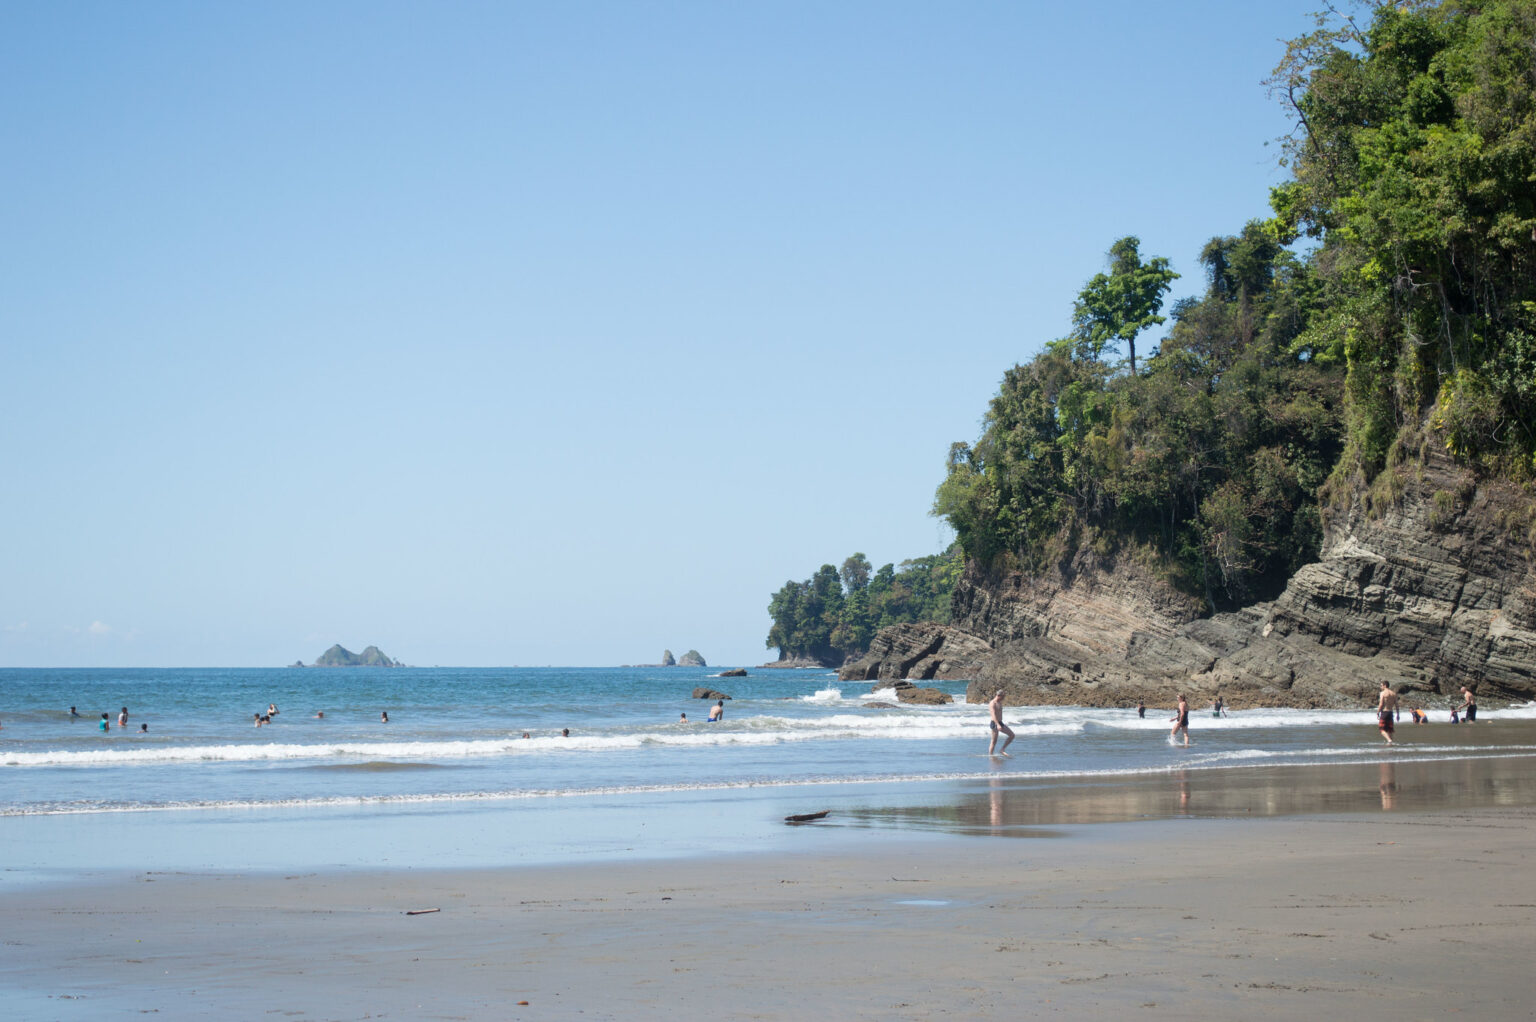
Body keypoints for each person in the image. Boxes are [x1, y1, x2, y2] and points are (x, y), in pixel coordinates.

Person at [987, 690, 1015, 756]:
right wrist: (998, 724)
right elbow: (993, 715)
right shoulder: (992, 703)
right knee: (994, 741)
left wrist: (1000, 723)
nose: (1004, 698)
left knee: (1012, 735)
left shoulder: (999, 702)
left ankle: (1002, 750)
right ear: (999, 696)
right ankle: (990, 756)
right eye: (1003, 696)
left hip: (1000, 722)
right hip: (995, 723)